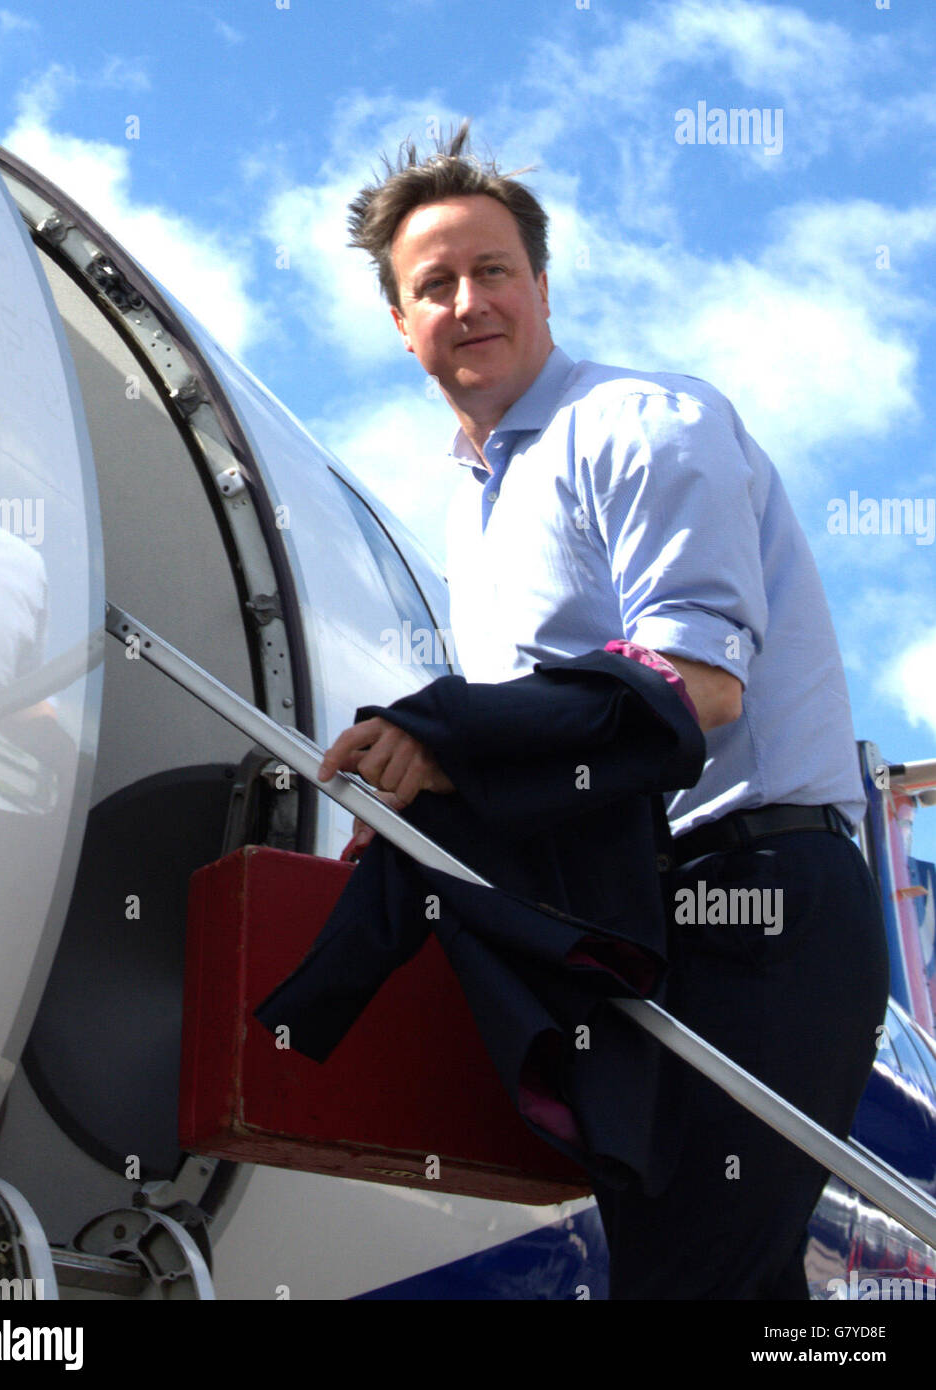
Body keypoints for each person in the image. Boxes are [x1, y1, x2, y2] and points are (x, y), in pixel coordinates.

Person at [318, 125, 889, 1299]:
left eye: (492, 271)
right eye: (433, 284)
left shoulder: (639, 422)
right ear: (398, 320)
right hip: (627, 923)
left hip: (755, 906)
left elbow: (699, 685)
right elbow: (546, 750)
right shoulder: (474, 507)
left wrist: (455, 739)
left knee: (694, 1279)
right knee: (698, 1276)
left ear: (539, 283)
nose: (467, 300)